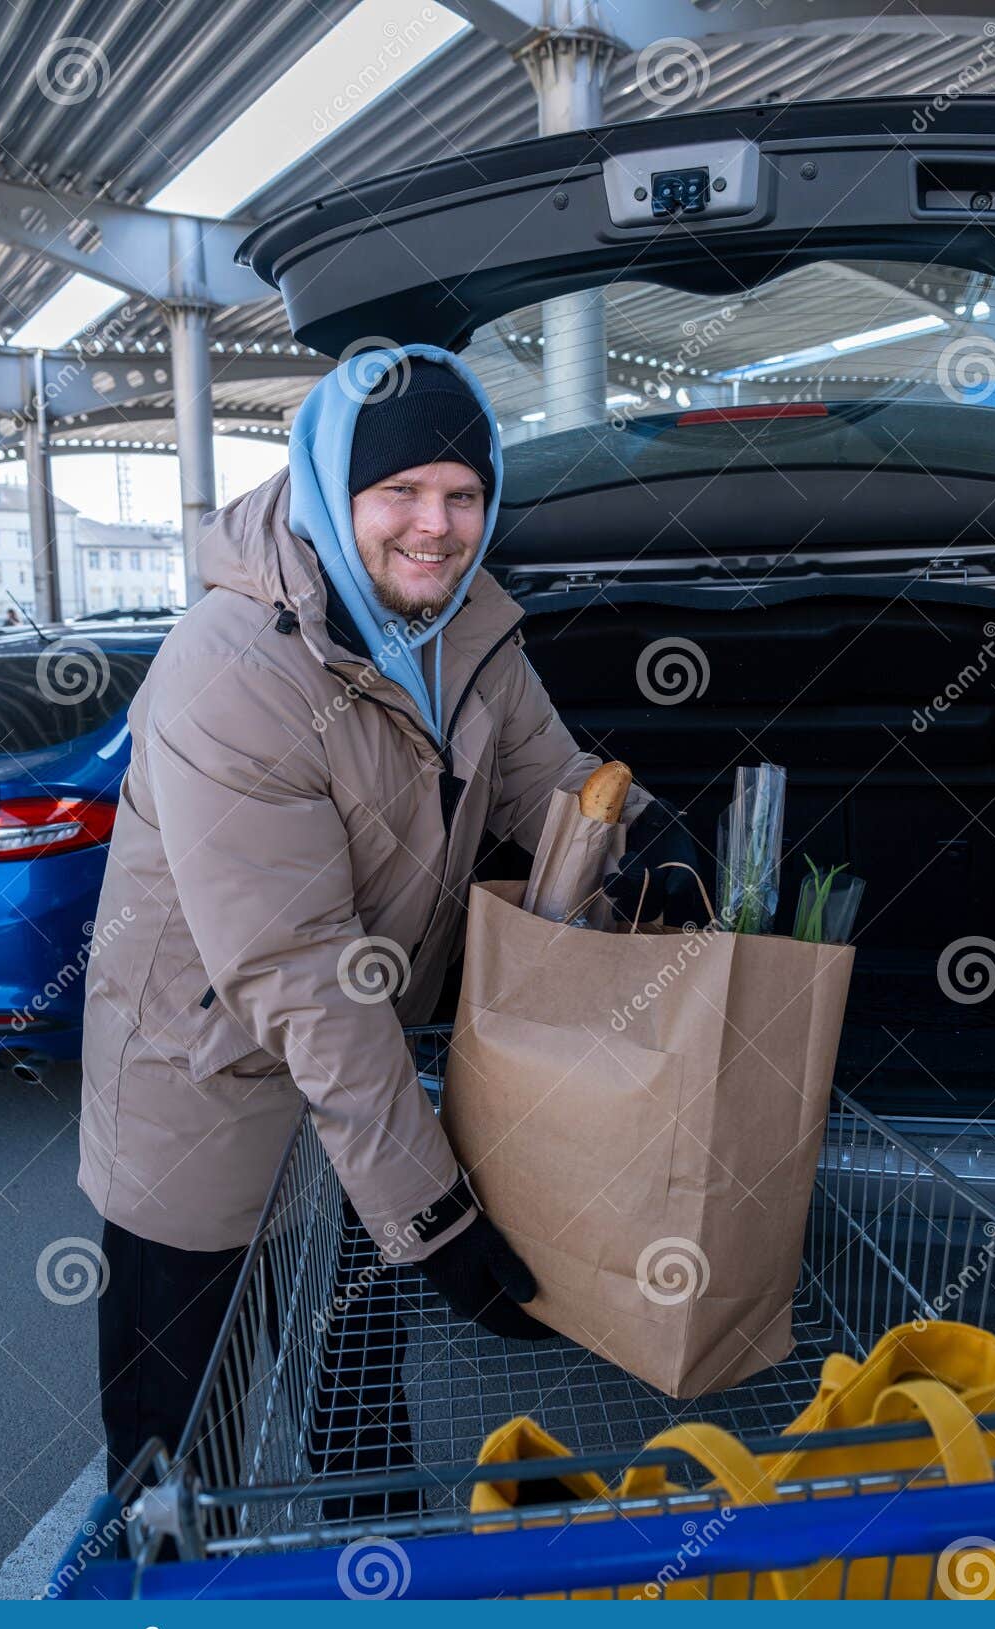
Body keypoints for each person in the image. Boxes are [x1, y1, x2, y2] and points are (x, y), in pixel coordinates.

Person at [78, 344, 706, 1512]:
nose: (437, 525)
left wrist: (650, 832)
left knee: (361, 1378)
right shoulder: (234, 673)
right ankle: (164, 1622)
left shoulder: (468, 632)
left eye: (463, 494)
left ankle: (373, 1562)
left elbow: (545, 777)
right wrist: (438, 1218)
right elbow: (301, 973)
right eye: (400, 494)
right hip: (205, 1082)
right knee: (185, 1430)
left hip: (367, 1073)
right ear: (332, 493)